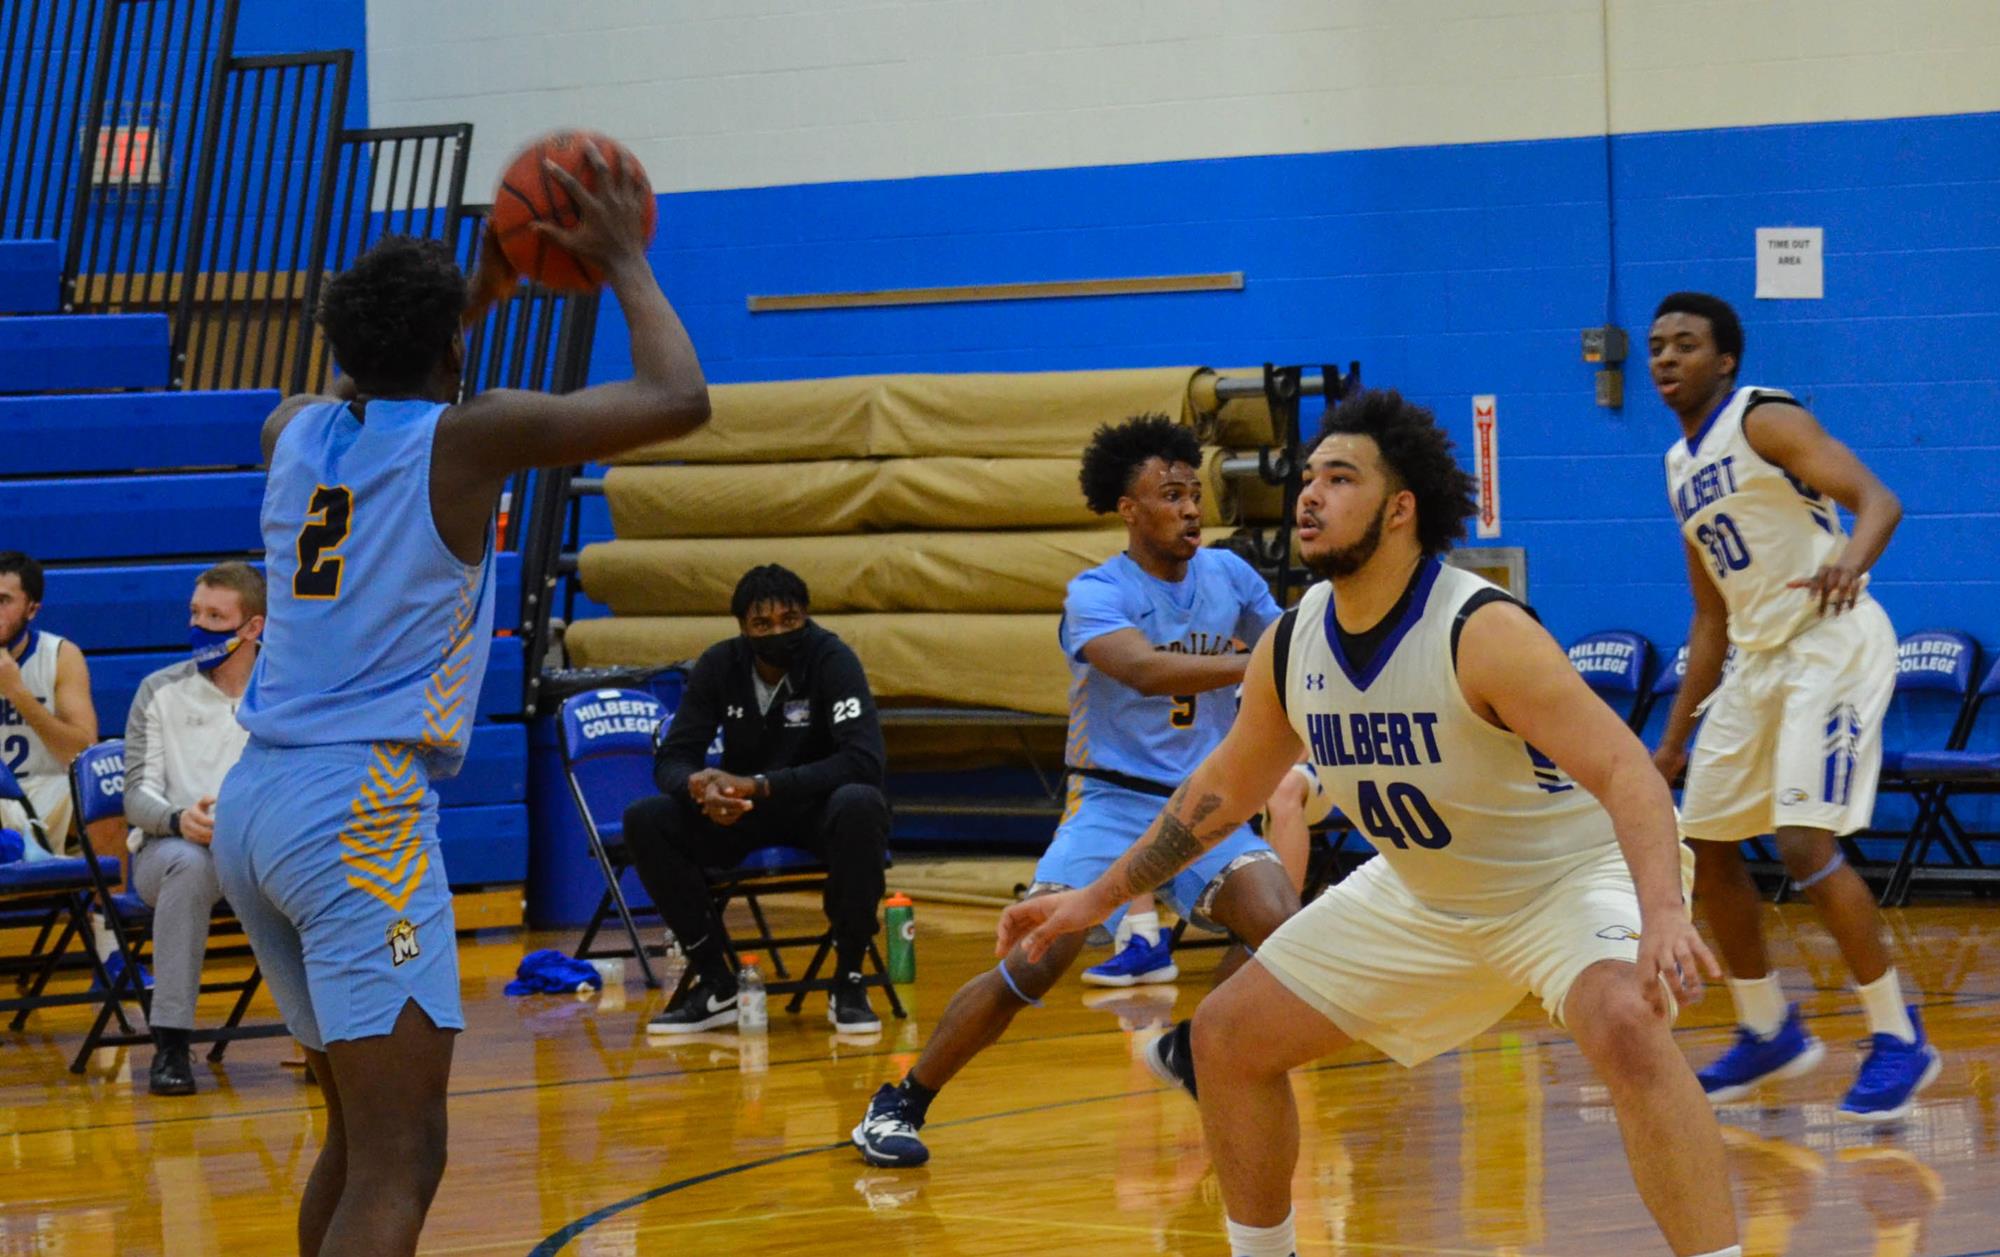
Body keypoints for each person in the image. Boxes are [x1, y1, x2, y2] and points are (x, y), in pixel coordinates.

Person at [1000, 390, 1743, 1257]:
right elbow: (1220, 791)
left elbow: (1627, 770)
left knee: (1625, 1021)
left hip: (1565, 879)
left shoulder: (1481, 629)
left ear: (1400, 509)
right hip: (1425, 889)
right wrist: (1095, 898)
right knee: (1225, 1038)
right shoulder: (1292, 643)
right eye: (1310, 476)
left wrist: (1663, 912)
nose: (1310, 495)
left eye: (1340, 478)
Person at [211, 141, 709, 1257]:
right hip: (356, 814)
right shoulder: (467, 440)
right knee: (403, 1157)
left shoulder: (291, 429)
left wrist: (466, 300)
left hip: (256, 804)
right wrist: (624, 259)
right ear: (450, 348)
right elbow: (679, 398)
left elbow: (370, 379)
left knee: (354, 1140)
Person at [850, 414, 1303, 1169]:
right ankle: (901, 1099)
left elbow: (1294, 643)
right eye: (1171, 495)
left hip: (1208, 800)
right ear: (1128, 509)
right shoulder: (1096, 591)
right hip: (1113, 801)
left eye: (1194, 493)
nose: (1191, 508)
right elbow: (1145, 670)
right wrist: (1260, 664)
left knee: (1282, 926)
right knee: (1035, 960)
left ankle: (1192, 1046)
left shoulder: (1231, 575)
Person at [1646, 291, 1937, 1121]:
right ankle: (1767, 1027)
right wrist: (1672, 741)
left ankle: (1899, 1036)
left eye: (1685, 344)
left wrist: (1850, 561)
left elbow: (1879, 499)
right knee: (1705, 839)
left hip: (1830, 640)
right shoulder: (1679, 467)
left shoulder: (1762, 417)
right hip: (1757, 659)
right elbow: (1710, 617)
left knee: (1803, 837)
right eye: (1657, 345)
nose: (1665, 357)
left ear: (1725, 359)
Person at [627, 563, 891, 1036]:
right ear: (743, 628)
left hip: (816, 809)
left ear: (806, 616)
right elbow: (673, 759)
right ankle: (716, 982)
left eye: (789, 620)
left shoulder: (833, 660)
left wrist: (763, 784)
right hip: (741, 813)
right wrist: (700, 787)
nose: (777, 633)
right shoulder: (719, 664)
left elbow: (863, 760)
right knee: (647, 819)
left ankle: (850, 978)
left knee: (861, 803)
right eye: (762, 624)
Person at [123, 562, 266, 1096]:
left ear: (252, 627)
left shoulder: (285, 693)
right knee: (189, 865)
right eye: (194, 613)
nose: (199, 626)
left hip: (260, 849)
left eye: (215, 617)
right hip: (171, 848)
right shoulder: (159, 691)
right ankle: (171, 1043)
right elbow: (135, 796)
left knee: (321, 865)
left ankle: (328, 1037)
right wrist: (179, 819)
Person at [0, 550, 97, 853]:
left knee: (103, 792)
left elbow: (81, 753)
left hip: (48, 791)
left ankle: (108, 887)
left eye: (3, 600)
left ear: (32, 609)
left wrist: (18, 693)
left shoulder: (61, 655)